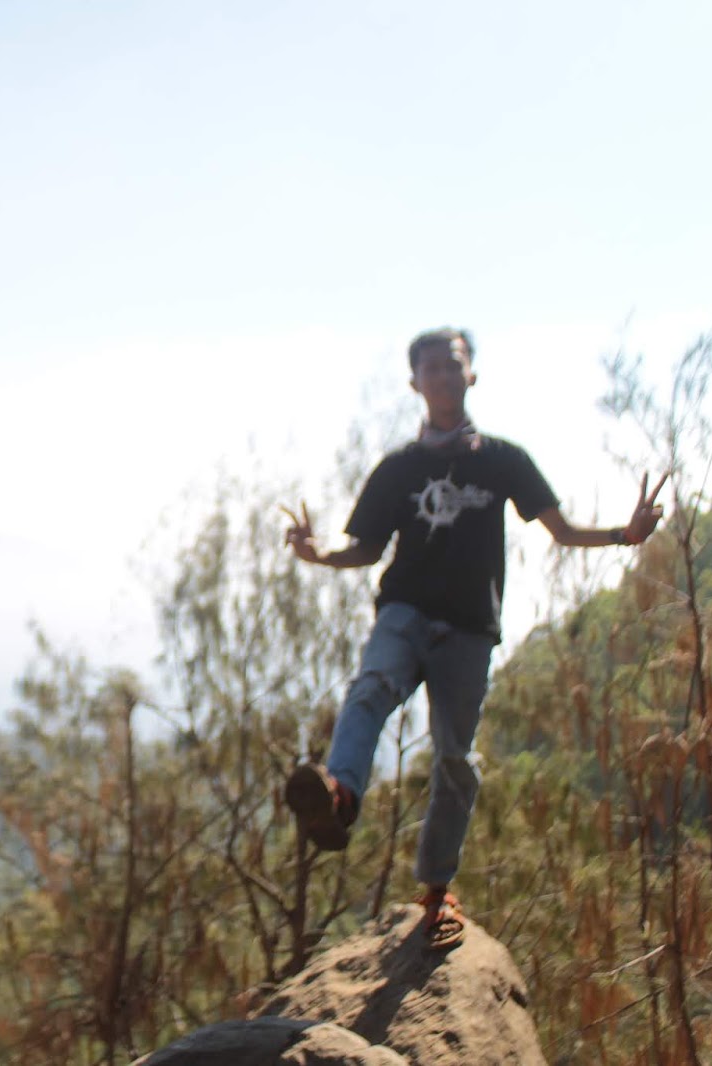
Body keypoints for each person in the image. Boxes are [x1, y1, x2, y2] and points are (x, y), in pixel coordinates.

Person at [281, 326, 664, 950]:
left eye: (452, 365)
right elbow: (368, 549)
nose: (442, 376)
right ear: (415, 383)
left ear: (470, 375)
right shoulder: (399, 469)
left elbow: (561, 531)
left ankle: (436, 894)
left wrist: (627, 534)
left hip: (468, 632)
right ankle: (340, 794)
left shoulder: (502, 459)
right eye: (430, 368)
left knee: (456, 759)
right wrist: (317, 554)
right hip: (403, 614)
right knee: (372, 688)